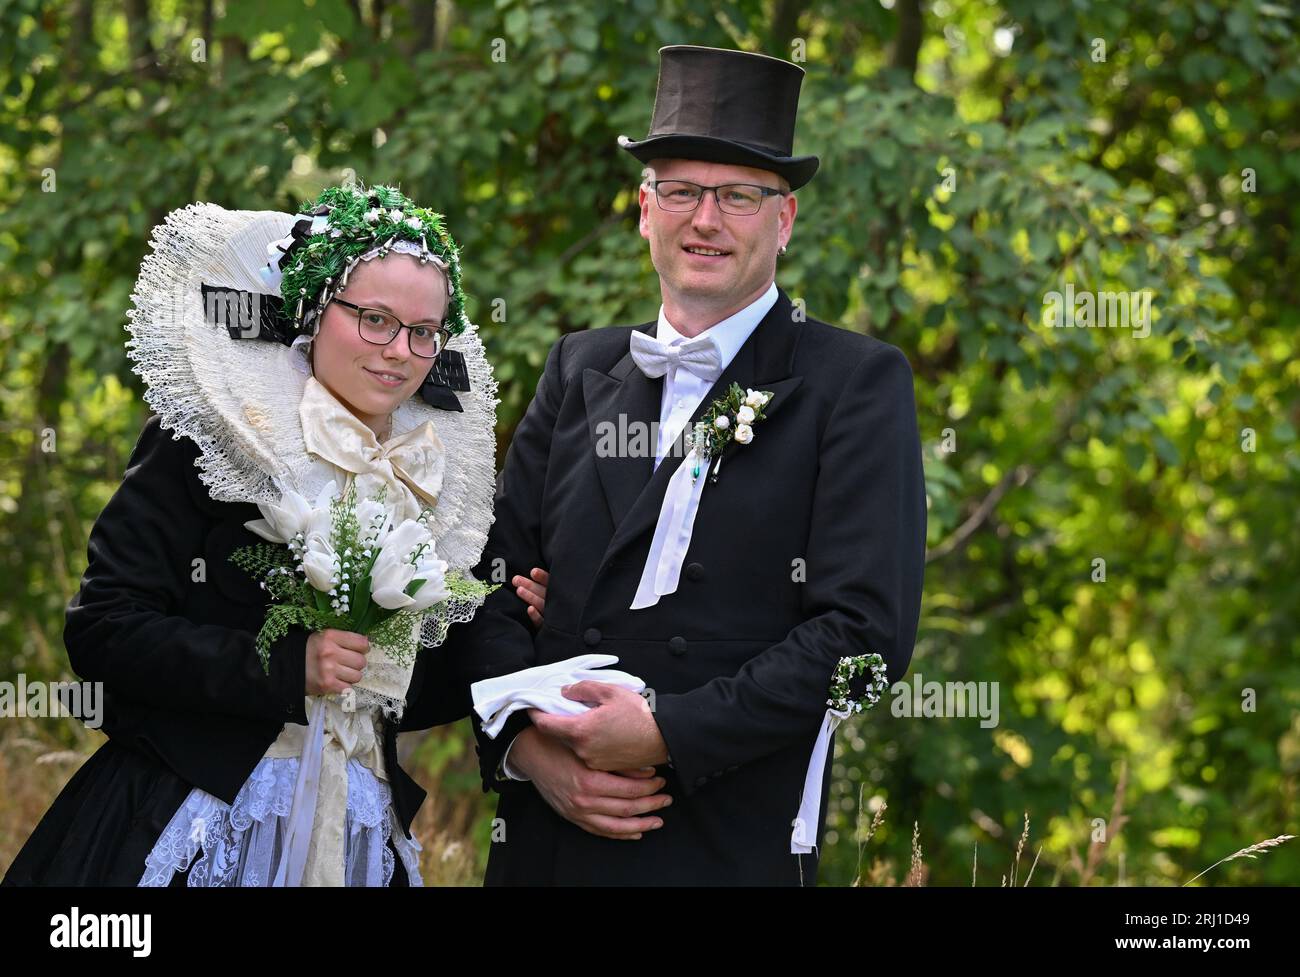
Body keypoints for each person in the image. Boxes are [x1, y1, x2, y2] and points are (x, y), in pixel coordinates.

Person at [453, 45, 927, 885]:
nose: (705, 220)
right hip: (545, 843)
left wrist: (669, 729)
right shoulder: (576, 367)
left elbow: (863, 640)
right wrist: (527, 750)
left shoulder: (855, 383)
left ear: (782, 221)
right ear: (646, 210)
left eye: (739, 196)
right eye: (681, 191)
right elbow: (483, 581)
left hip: (728, 842)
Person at [2, 181, 545, 886]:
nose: (399, 352)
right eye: (374, 319)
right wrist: (288, 669)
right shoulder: (213, 440)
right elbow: (104, 632)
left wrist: (522, 626)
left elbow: (393, 694)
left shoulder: (425, 477)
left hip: (354, 830)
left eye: (421, 332)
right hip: (193, 815)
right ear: (317, 308)